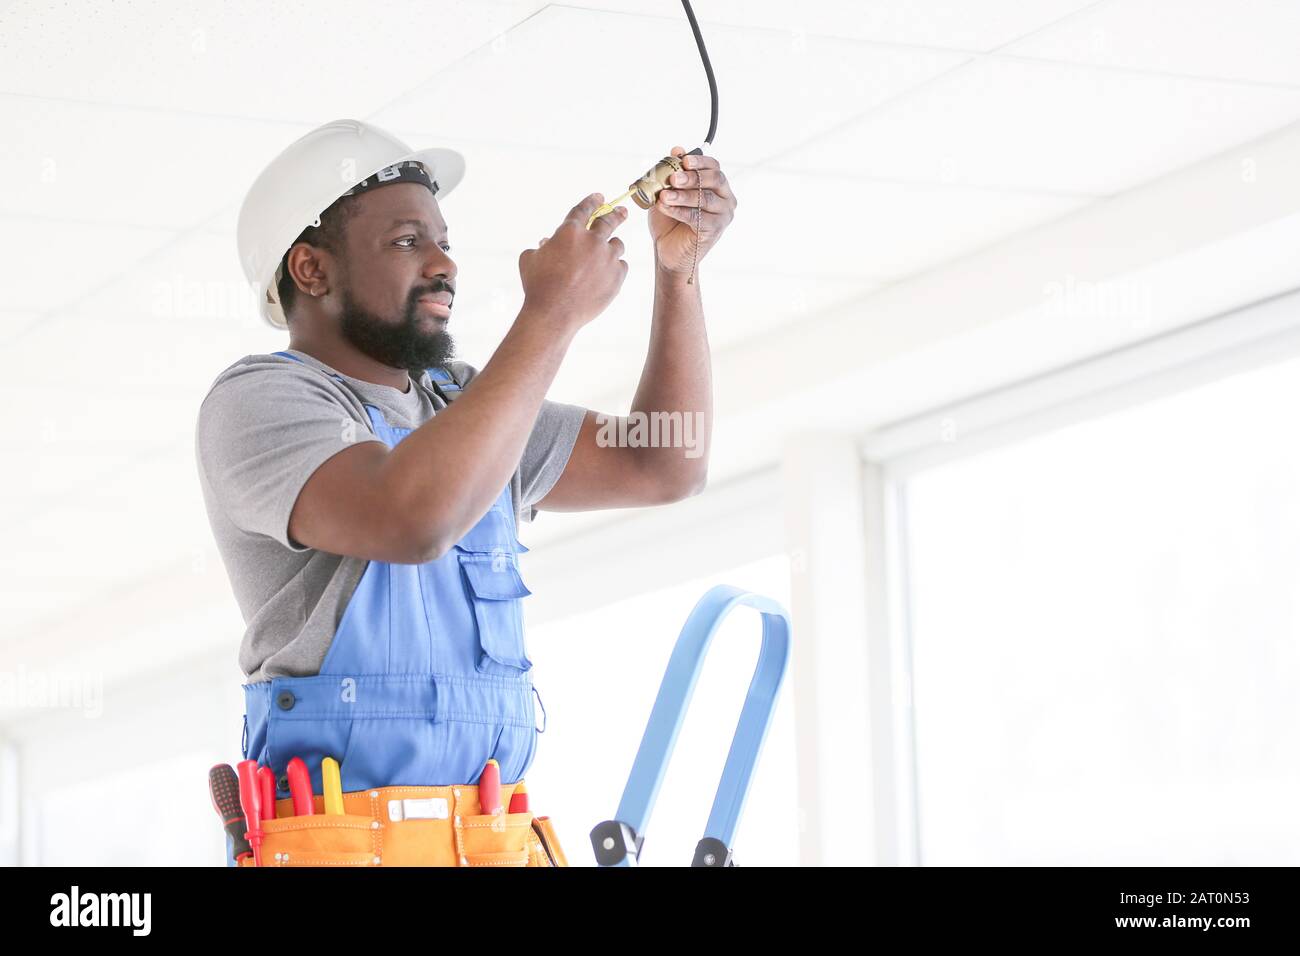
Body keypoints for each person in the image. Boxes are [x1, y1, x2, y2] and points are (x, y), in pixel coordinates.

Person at [195, 118, 737, 866]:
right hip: (340, 845)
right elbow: (411, 517)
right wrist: (549, 314)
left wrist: (678, 272)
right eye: (407, 240)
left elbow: (667, 461)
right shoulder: (260, 402)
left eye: (442, 239)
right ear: (312, 270)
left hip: (488, 842)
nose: (444, 262)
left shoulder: (468, 410)